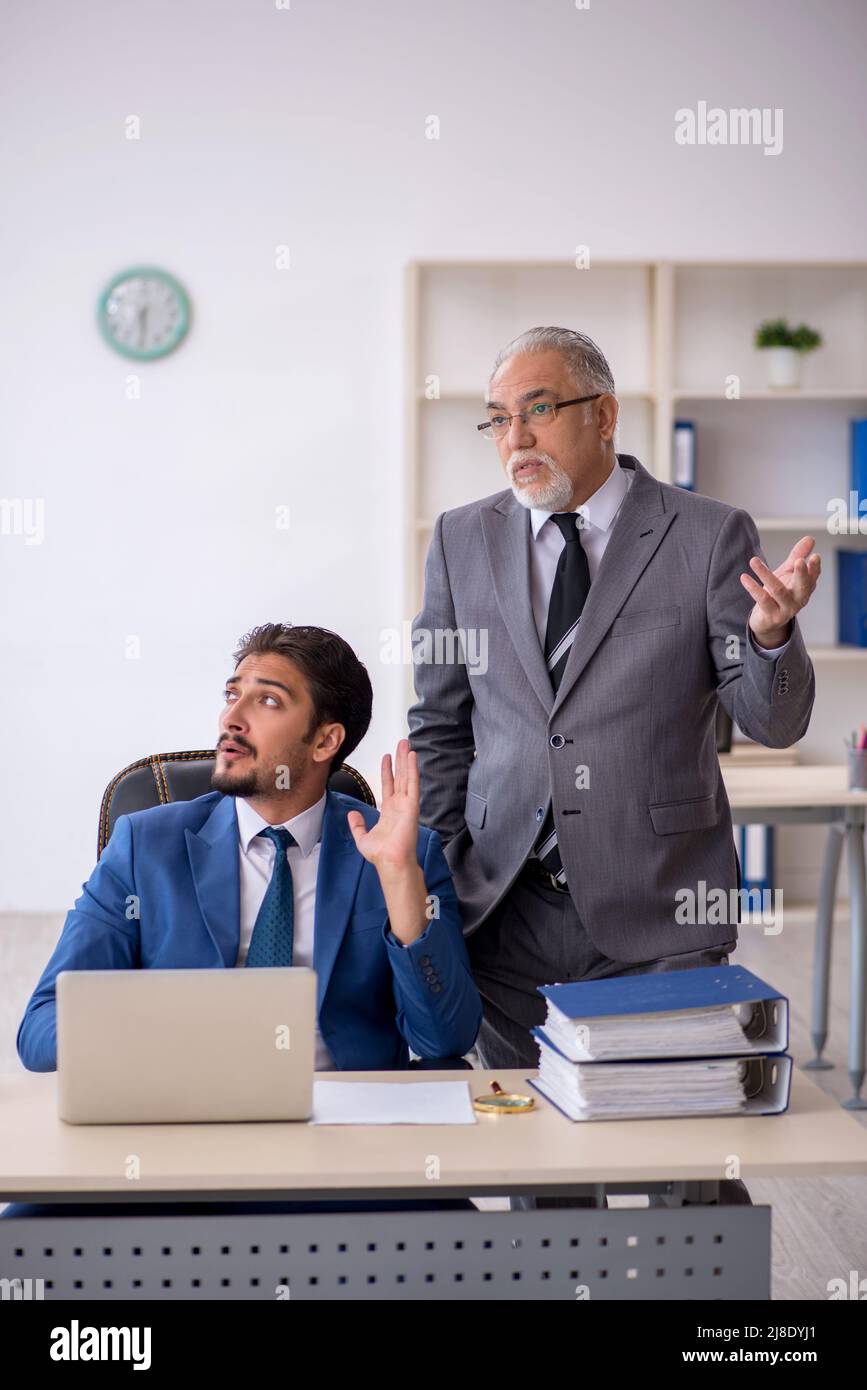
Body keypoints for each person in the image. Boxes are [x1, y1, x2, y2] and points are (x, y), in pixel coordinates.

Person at [408, 326, 820, 1207]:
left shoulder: (704, 534)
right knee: (541, 1174)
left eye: (537, 410)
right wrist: (443, 876)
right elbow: (441, 725)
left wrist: (771, 638)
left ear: (602, 415)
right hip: (506, 910)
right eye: (496, 419)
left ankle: (724, 1344)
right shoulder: (459, 540)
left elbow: (771, 720)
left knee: (688, 1164)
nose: (514, 438)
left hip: (661, 906)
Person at [9, 622, 480, 1218]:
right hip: (174, 1138)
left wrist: (400, 882)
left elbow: (445, 1039)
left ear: (324, 741)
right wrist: (164, 1042)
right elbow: (40, 1030)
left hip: (347, 1148)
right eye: (232, 695)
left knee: (458, 1238)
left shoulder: (402, 853)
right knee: (27, 1232)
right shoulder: (145, 845)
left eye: (267, 701)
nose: (232, 719)